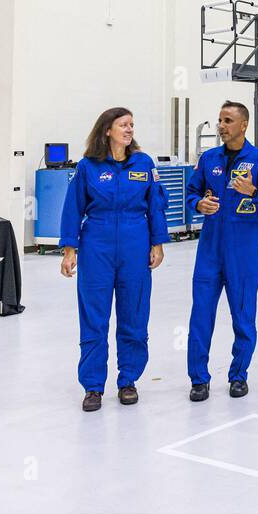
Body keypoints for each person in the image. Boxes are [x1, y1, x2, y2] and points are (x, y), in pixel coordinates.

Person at [59, 107, 169, 412]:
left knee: (134, 313)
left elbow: (156, 205)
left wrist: (158, 243)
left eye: (132, 124)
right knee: (94, 316)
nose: (130, 129)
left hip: (136, 241)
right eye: (124, 125)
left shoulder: (144, 163)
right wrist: (70, 250)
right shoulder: (88, 167)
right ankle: (93, 386)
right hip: (97, 243)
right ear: (107, 130)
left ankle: (128, 380)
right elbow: (73, 208)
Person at [185, 101, 258, 401]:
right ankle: (199, 379)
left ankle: (238, 375)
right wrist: (198, 205)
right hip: (210, 249)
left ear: (243, 125)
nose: (221, 126)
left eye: (228, 120)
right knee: (201, 314)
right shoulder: (208, 158)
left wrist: (252, 192)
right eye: (219, 120)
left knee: (243, 315)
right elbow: (192, 192)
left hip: (242, 251)